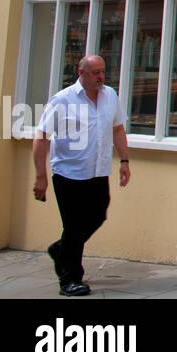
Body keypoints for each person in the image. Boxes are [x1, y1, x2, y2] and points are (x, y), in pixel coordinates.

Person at [31, 55, 131, 296]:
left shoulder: (110, 96)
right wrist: (41, 177)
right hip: (68, 174)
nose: (100, 76)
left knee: (98, 214)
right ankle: (70, 279)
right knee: (74, 226)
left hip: (98, 172)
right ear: (81, 72)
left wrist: (124, 161)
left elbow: (118, 129)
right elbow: (41, 137)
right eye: (95, 72)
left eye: (103, 71)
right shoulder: (62, 100)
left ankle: (60, 249)